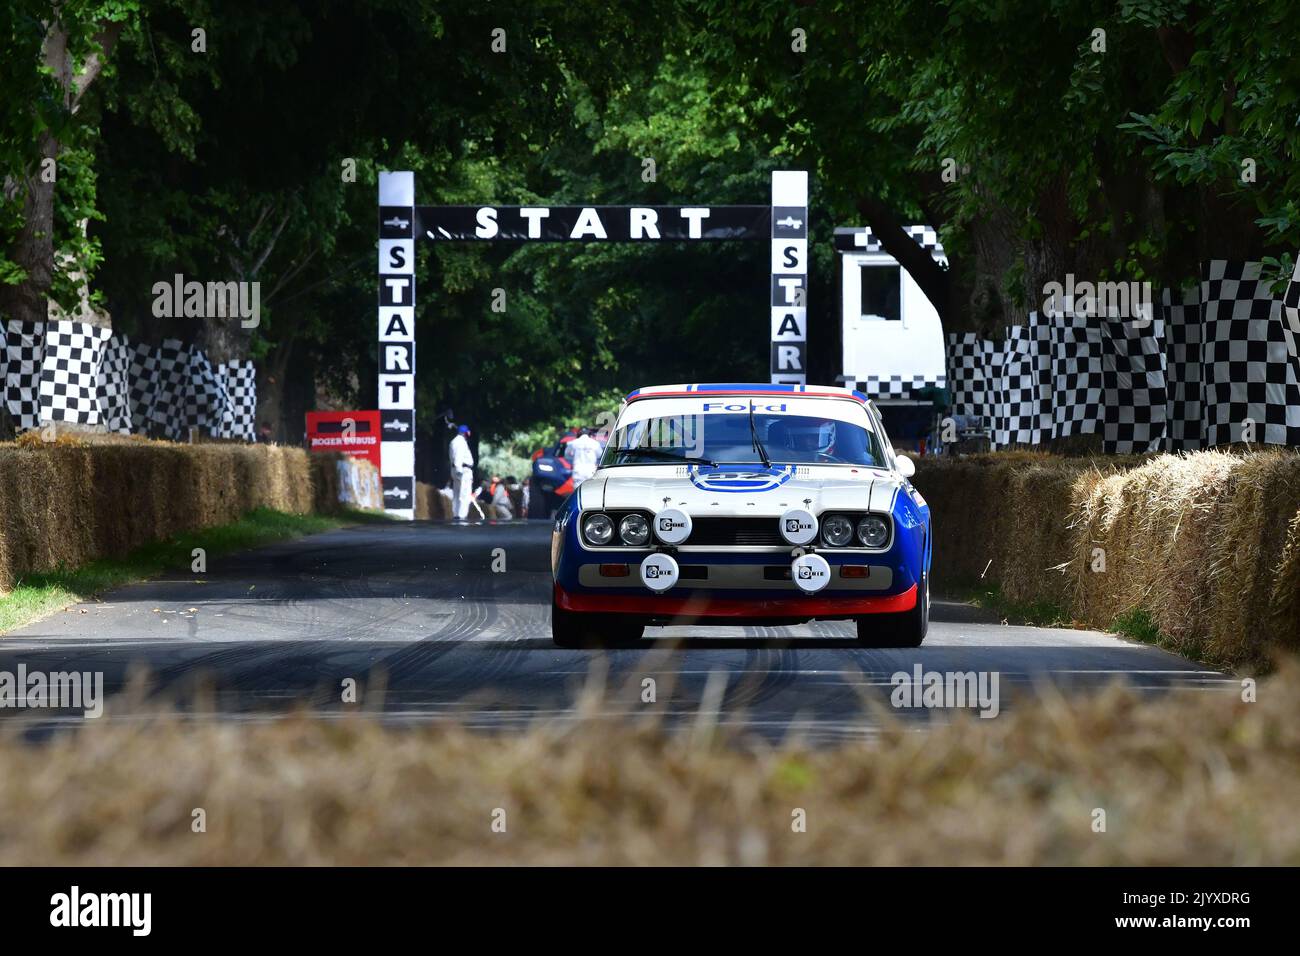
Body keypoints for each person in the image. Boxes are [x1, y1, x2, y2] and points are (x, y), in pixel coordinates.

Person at [449, 424, 474, 520]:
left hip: (456, 469)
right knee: (464, 494)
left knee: (457, 493)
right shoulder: (461, 442)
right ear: (465, 433)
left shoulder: (454, 441)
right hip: (463, 470)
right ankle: (462, 515)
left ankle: (456, 514)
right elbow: (458, 457)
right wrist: (459, 470)